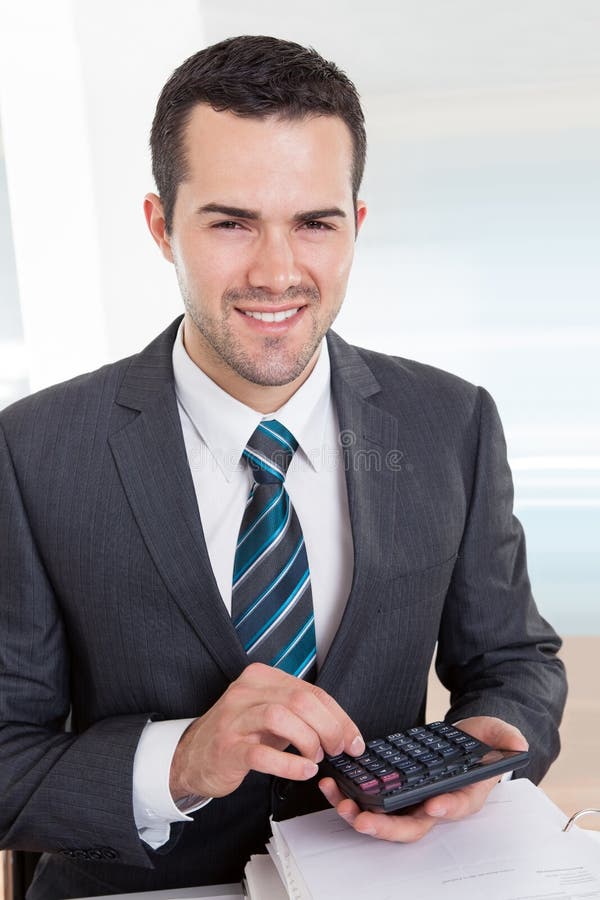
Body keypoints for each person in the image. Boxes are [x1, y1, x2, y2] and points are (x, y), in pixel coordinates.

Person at [0, 34, 566, 899]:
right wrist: (180, 760)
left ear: (356, 226)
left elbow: (517, 661)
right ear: (161, 226)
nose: (277, 272)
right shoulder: (33, 451)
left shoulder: (452, 422)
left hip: (394, 878)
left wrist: (481, 747)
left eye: (313, 222)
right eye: (230, 222)